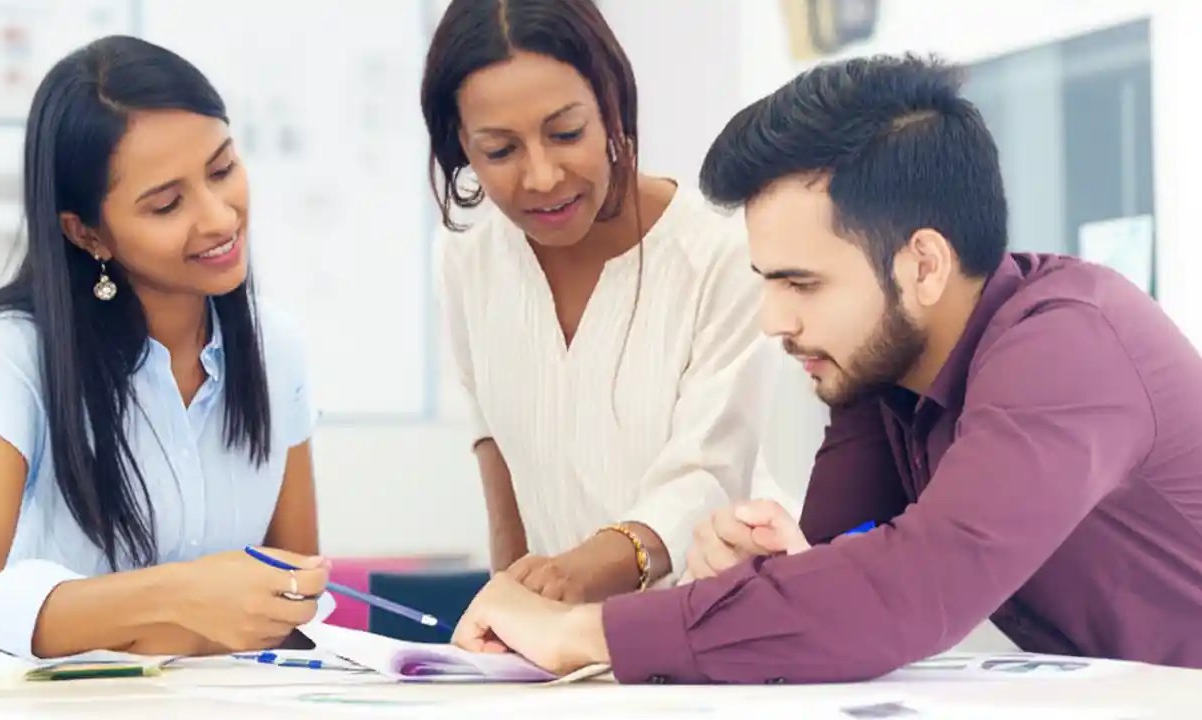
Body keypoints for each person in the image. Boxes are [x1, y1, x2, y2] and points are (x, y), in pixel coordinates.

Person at [449, 53, 1202, 682]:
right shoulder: (884, 372)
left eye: (801, 283)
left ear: (925, 265)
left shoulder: (1068, 350)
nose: (774, 319)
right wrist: (768, 572)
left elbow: (910, 593)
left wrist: (583, 632)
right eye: (767, 280)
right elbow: (835, 579)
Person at [0, 36, 330, 659]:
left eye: (222, 170)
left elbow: (293, 599)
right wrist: (174, 597)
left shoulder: (275, 346)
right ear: (86, 233)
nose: (220, 217)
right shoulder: (10, 356)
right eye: (167, 204)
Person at [421, 0, 774, 603]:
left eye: (566, 134)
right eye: (500, 151)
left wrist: (584, 570)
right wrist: (509, 605)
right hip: (566, 652)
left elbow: (710, 474)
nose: (541, 178)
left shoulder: (721, 253)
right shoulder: (466, 260)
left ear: (610, 103)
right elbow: (496, 449)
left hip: (719, 621)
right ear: (462, 145)